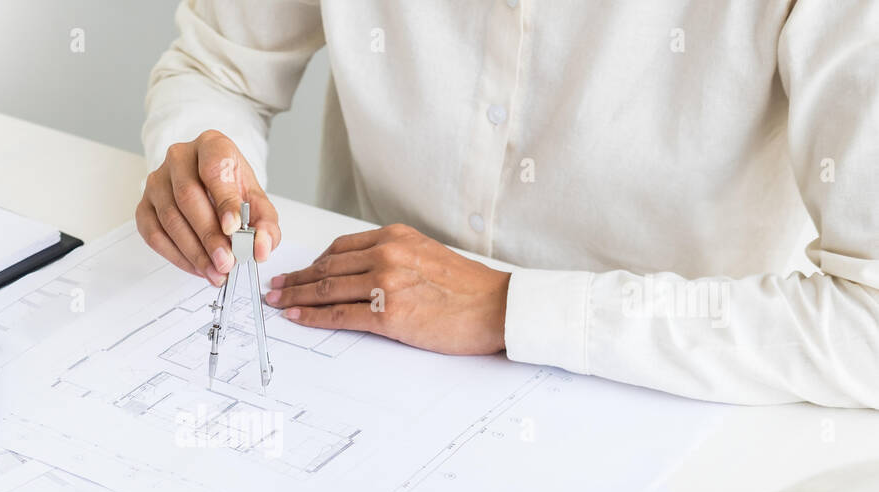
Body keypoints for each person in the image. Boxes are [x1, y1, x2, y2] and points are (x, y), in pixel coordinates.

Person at [135, 0, 879, 407]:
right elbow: (218, 68)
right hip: (346, 366)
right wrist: (207, 156)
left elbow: (868, 321)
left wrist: (506, 309)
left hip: (674, 402)